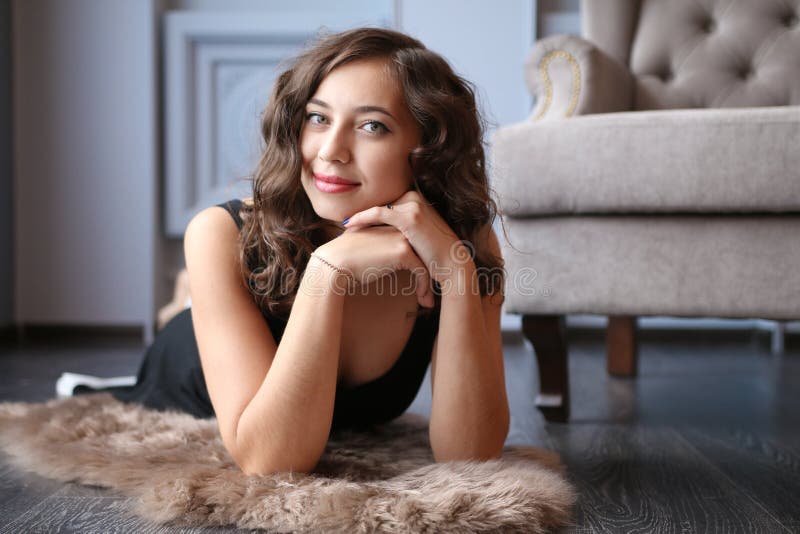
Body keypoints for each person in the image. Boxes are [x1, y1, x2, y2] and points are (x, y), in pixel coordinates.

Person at [60, 27, 510, 476]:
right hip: (184, 375)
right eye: (318, 118)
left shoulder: (460, 243)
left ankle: (190, 297)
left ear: (430, 148)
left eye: (372, 126)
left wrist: (457, 275)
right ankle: (189, 304)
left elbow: (470, 454)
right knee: (201, 310)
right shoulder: (219, 232)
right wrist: (327, 271)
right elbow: (269, 463)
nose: (331, 151)